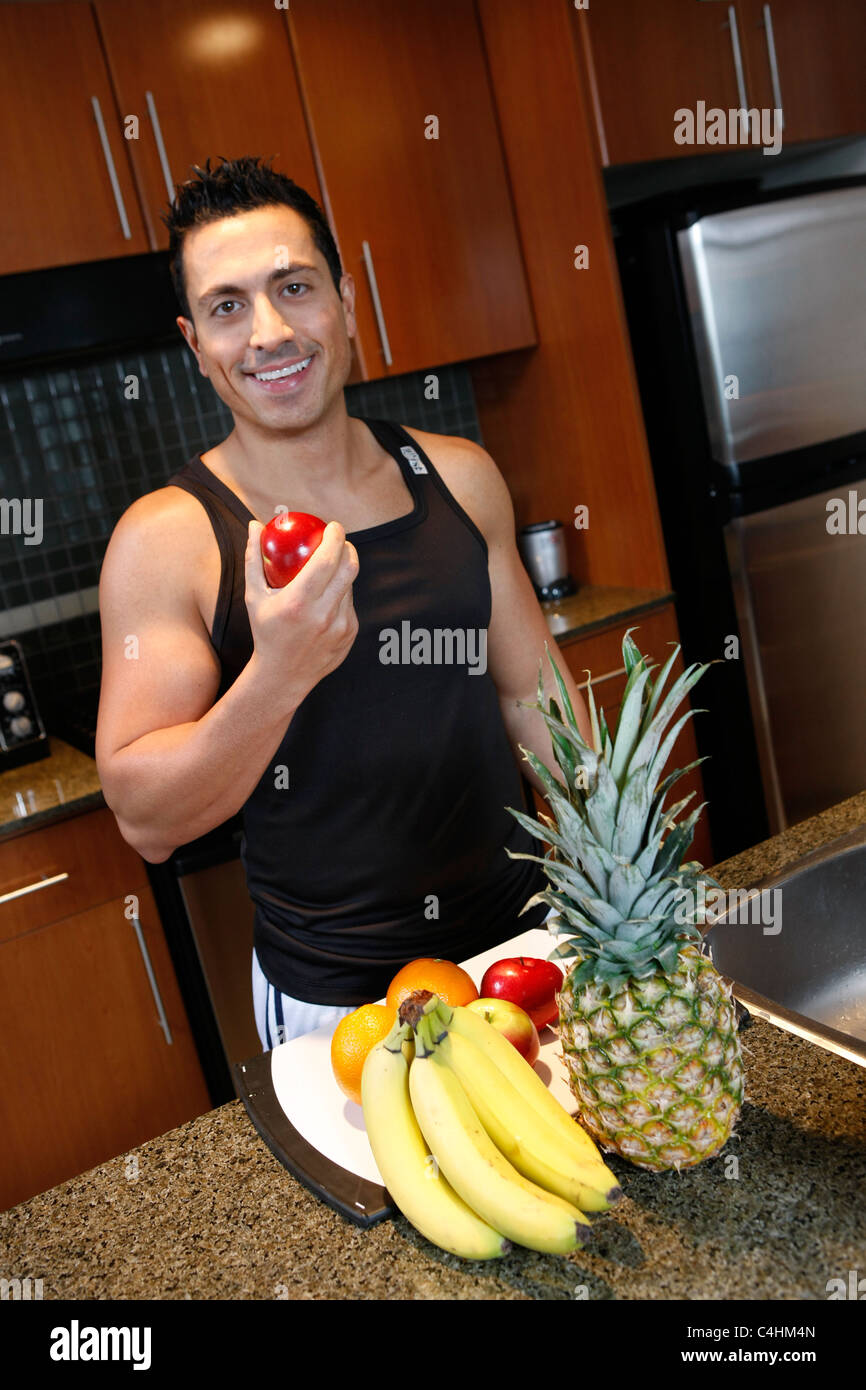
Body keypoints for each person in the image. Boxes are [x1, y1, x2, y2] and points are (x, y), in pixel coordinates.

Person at [95, 156, 593, 1049]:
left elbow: (533, 696)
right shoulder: (166, 539)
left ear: (346, 299)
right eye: (228, 307)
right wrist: (280, 672)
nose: (270, 332)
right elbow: (147, 819)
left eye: (295, 287)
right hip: (340, 1009)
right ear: (194, 344)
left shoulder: (460, 478)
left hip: (523, 948)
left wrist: (615, 869)